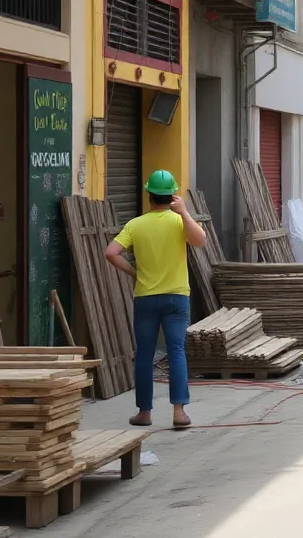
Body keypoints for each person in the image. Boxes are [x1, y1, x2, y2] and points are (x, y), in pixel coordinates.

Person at [105, 170, 207, 430]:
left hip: (146, 298)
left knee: (144, 355)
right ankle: (179, 413)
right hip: (176, 297)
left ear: (148, 195)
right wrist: (183, 212)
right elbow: (200, 241)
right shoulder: (179, 222)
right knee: (176, 351)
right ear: (172, 195)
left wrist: (134, 272)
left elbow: (111, 252)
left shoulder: (136, 224)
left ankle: (144, 413)